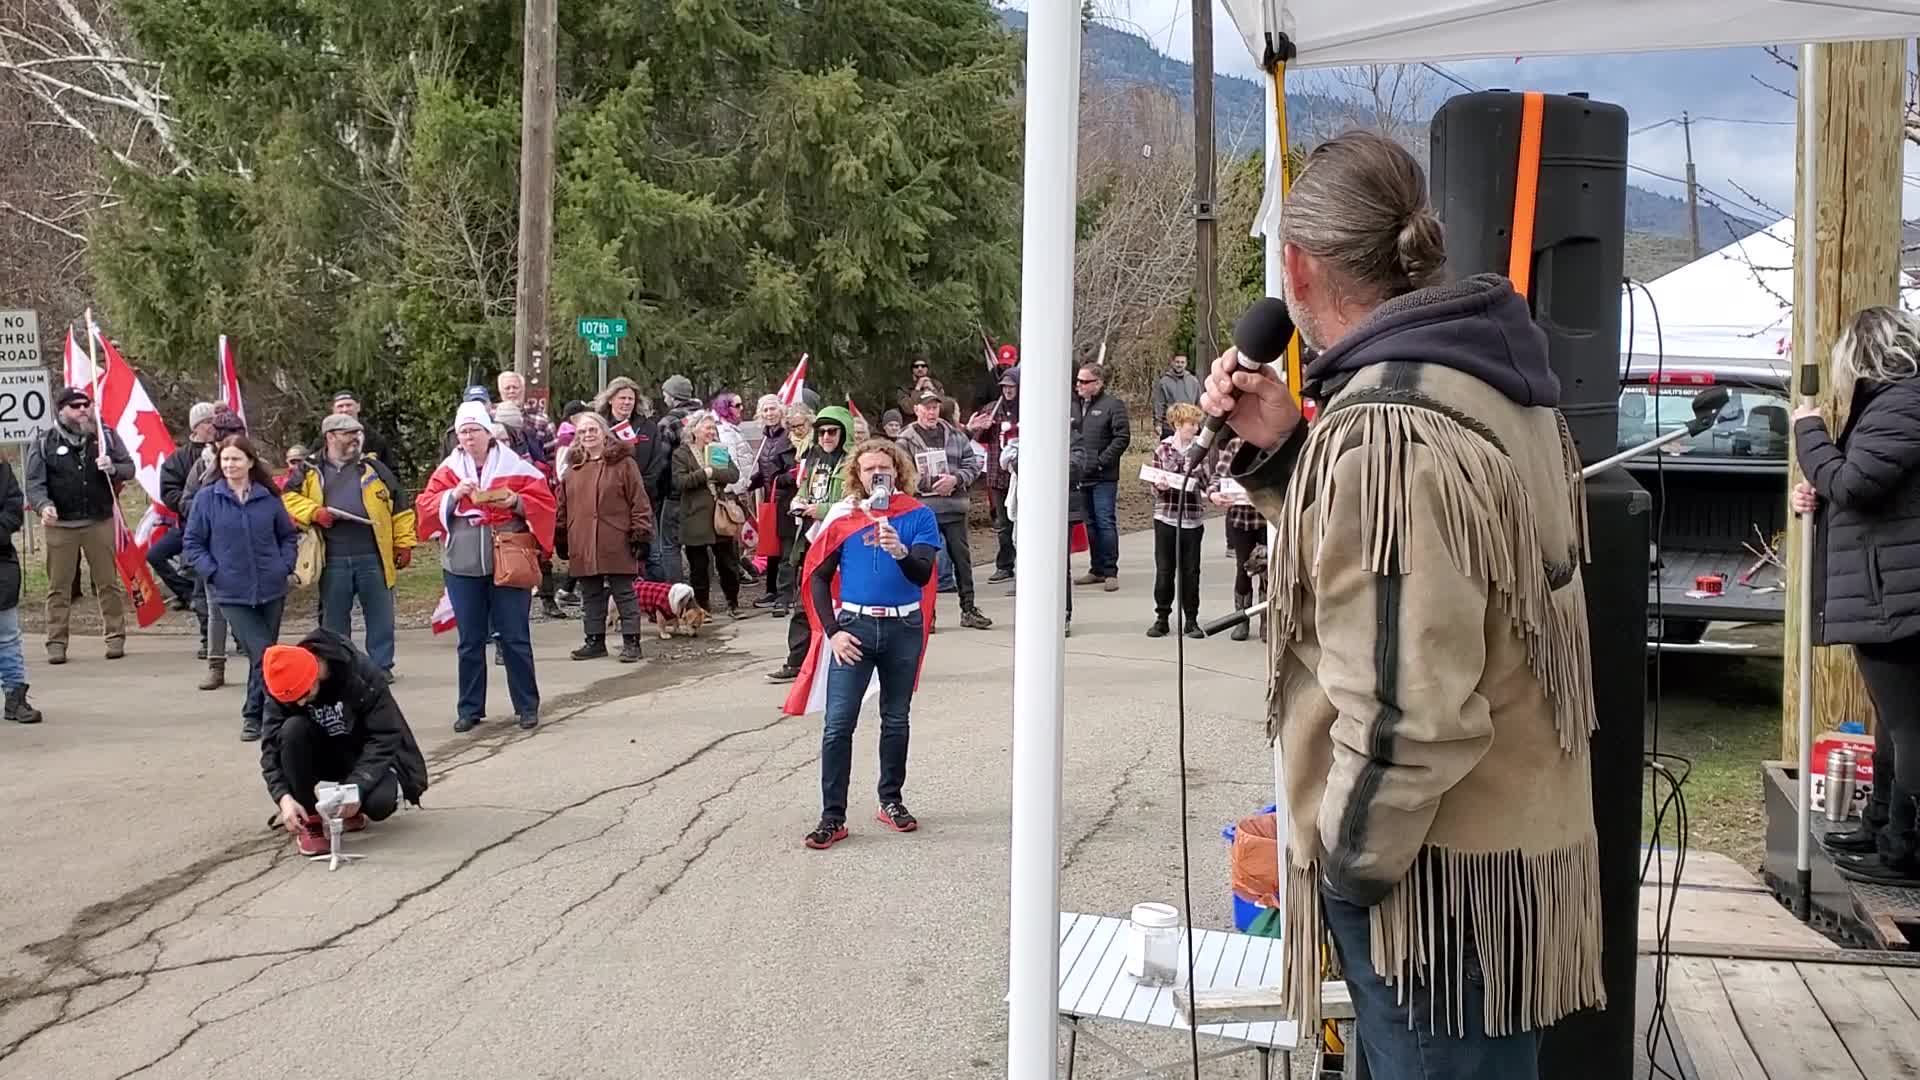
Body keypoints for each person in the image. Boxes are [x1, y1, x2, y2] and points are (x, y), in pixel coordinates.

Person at [1203, 130, 1602, 1076]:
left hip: (1433, 899)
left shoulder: (1390, 431)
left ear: (1297, 268)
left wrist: (1347, 868)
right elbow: (1437, 577)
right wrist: (1293, 451)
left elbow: (1408, 712)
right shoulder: (1491, 383)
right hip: (1502, 871)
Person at [1792, 306, 1920, 887]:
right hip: (1889, 589)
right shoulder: (1893, 405)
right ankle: (1884, 828)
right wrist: (1819, 492)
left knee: (1909, 725)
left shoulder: (1903, 402)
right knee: (1892, 723)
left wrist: (1809, 432)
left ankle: (1907, 847)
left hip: (1898, 593)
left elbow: (1855, 484)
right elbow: (1855, 485)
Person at [783, 439, 941, 849]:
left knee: (896, 719)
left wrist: (901, 551)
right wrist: (833, 631)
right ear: (857, 475)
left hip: (902, 627)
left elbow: (922, 575)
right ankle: (832, 816)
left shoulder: (918, 515)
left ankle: (891, 800)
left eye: (883, 469)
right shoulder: (845, 518)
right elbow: (817, 576)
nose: (876, 475)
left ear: (897, 472)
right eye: (868, 469)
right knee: (838, 725)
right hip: (853, 628)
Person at [417, 401, 556, 732]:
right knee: (470, 640)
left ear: (488, 433)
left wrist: (516, 502)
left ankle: (526, 706)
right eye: (462, 432)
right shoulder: (448, 471)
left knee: (514, 636)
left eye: (474, 431)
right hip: (462, 564)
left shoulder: (516, 466)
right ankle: (469, 708)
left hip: (508, 559)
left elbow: (546, 502)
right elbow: (425, 507)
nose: (468, 438)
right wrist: (453, 496)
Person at [259, 630, 428, 857]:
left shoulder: (361, 673)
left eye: (305, 693)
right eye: (292, 699)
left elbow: (385, 735)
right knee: (291, 730)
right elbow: (270, 748)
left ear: (317, 667)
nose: (300, 701)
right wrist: (283, 798)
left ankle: (350, 809)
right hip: (315, 750)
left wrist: (357, 786)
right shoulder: (283, 682)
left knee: (380, 804)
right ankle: (311, 819)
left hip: (359, 751)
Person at [281, 413, 416, 675]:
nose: (355, 438)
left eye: (357, 433)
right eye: (348, 433)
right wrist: (314, 512)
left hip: (374, 555)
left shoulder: (375, 468)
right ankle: (340, 668)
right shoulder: (309, 470)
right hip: (333, 558)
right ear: (330, 437)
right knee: (335, 620)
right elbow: (288, 497)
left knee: (380, 617)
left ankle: (381, 668)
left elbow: (399, 507)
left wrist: (404, 544)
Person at [183, 435, 298, 741]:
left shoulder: (268, 497)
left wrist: (284, 565)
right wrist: (213, 572)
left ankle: (265, 715)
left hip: (271, 588)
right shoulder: (207, 499)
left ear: (249, 461)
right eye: (225, 460)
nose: (230, 465)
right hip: (231, 592)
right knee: (264, 654)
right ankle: (254, 715)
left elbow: (287, 536)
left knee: (266, 656)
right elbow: (192, 544)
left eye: (236, 459)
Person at [24, 386, 135, 664]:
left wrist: (113, 467)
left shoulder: (104, 436)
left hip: (98, 521)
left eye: (86, 404)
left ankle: (114, 637)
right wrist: (43, 505)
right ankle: (57, 641)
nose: (83, 410)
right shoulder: (44, 442)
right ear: (61, 410)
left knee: (107, 583)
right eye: (75, 406)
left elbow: (129, 467)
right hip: (61, 526)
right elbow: (34, 484)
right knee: (59, 587)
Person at [557, 412, 654, 663]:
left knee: (623, 591)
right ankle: (594, 640)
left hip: (616, 537)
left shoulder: (624, 464)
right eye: (582, 432)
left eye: (593, 430)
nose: (588, 435)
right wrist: (561, 536)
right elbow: (563, 506)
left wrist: (640, 534)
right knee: (589, 592)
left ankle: (632, 641)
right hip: (582, 538)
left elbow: (639, 501)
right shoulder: (572, 469)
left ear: (604, 432)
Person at [767, 406, 851, 682]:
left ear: (844, 432)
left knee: (845, 604)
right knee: (805, 599)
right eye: (822, 431)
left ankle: (846, 659)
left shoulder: (854, 463)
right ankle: (796, 661)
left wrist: (824, 510)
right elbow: (804, 489)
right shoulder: (813, 460)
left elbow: (856, 501)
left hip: (842, 541)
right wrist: (798, 502)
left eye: (832, 431)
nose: (826, 436)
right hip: (811, 540)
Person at [898, 390, 992, 629]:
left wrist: (956, 479)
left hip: (954, 508)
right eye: (926, 408)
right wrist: (928, 484)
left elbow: (973, 463)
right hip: (923, 511)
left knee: (962, 561)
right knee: (924, 562)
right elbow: (901, 474)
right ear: (916, 409)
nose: (931, 412)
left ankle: (969, 609)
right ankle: (926, 614)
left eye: (934, 407)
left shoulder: (955, 435)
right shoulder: (906, 439)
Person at [1145, 403, 1212, 639]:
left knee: (1191, 571)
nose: (1195, 428)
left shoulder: (1200, 450)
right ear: (1177, 425)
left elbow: (1207, 481)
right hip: (1166, 517)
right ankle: (1162, 617)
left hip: (1192, 518)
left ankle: (1191, 619)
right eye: (1190, 424)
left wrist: (1212, 489)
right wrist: (1159, 485)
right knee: (1165, 570)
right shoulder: (1163, 450)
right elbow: (1154, 482)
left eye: (1196, 424)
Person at [151, 401, 220, 609]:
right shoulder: (179, 459)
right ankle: (186, 593)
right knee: (155, 555)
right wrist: (194, 508)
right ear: (195, 427)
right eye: (206, 422)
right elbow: (170, 493)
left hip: (221, 526)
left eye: (214, 421)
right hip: (189, 524)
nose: (211, 426)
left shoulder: (228, 450)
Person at [674, 413, 743, 617]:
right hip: (695, 516)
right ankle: (702, 606)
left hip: (720, 516)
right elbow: (680, 482)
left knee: (728, 563)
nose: (711, 432)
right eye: (707, 428)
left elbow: (733, 474)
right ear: (694, 430)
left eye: (713, 429)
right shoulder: (682, 454)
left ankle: (733, 603)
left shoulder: (718, 450)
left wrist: (713, 471)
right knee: (699, 567)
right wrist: (705, 474)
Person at [1072, 362, 1129, 591]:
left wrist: (1101, 461)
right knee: (1090, 524)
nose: (1079, 386)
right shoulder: (1075, 407)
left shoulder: (1112, 406)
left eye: (1084, 382)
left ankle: (1110, 571)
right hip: (1080, 474)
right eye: (1078, 381)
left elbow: (1122, 437)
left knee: (1105, 522)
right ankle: (1096, 568)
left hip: (1103, 476)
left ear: (1098, 383)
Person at [1207, 436, 1264, 642]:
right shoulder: (1234, 445)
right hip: (1241, 518)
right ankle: (1241, 620)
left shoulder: (1273, 441)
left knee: (1270, 570)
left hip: (1269, 518)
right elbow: (1218, 476)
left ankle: (1267, 620)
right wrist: (1213, 493)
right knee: (1244, 568)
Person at [969, 365, 1020, 585]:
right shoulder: (992, 408)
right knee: (1003, 522)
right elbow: (977, 437)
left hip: (1021, 474)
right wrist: (983, 427)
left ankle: (1027, 563)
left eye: (1012, 386)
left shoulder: (1029, 407)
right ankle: (1005, 565)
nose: (1008, 391)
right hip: (998, 474)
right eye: (1004, 387)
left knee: (1023, 521)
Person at [0, 454, 40, 723]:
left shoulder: (3, 470)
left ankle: (15, 696)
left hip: (1, 562)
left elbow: (14, 508)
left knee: (7, 636)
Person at [750, 395, 799, 613]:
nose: (769, 413)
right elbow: (765, 470)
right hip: (770, 500)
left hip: (787, 500)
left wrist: (783, 479)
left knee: (787, 550)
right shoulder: (765, 439)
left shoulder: (789, 438)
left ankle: (785, 596)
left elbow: (794, 468)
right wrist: (750, 483)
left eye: (773, 409)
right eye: (765, 410)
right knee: (771, 548)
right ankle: (772, 591)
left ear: (781, 411)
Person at [320, 391, 392, 463]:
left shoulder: (376, 439)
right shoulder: (324, 438)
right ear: (333, 410)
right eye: (340, 406)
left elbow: (391, 470)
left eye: (349, 405)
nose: (345, 410)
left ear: (358, 407)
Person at [496, 370, 555, 455]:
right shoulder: (491, 417)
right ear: (500, 391)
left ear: (523, 389)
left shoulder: (541, 419)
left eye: (515, 387)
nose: (511, 391)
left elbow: (552, 454)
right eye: (507, 388)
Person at [1150, 354, 1202, 438]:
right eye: (1177, 362)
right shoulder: (1164, 382)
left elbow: (1199, 403)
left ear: (1186, 364)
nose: (1179, 365)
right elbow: (1159, 404)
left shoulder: (1193, 381)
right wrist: (1158, 423)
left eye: (1182, 362)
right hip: (1170, 427)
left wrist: (1198, 422)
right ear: (1173, 363)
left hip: (1189, 426)